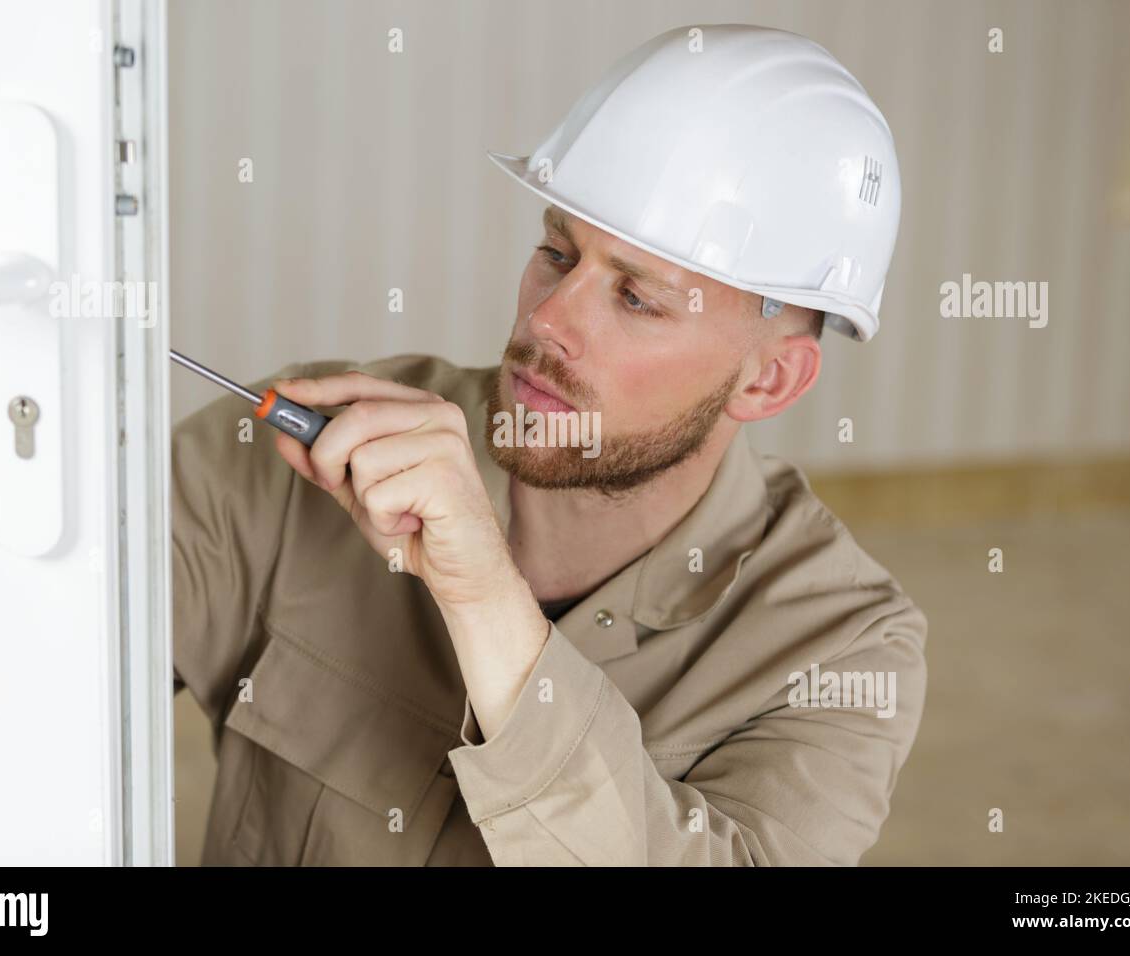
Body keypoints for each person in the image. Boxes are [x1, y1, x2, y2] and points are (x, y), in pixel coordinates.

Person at [172, 24, 925, 866]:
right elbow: (42, 625)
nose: (546, 320)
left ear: (768, 382)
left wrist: (485, 597)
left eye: (637, 299)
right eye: (555, 252)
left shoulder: (841, 646)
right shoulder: (319, 452)